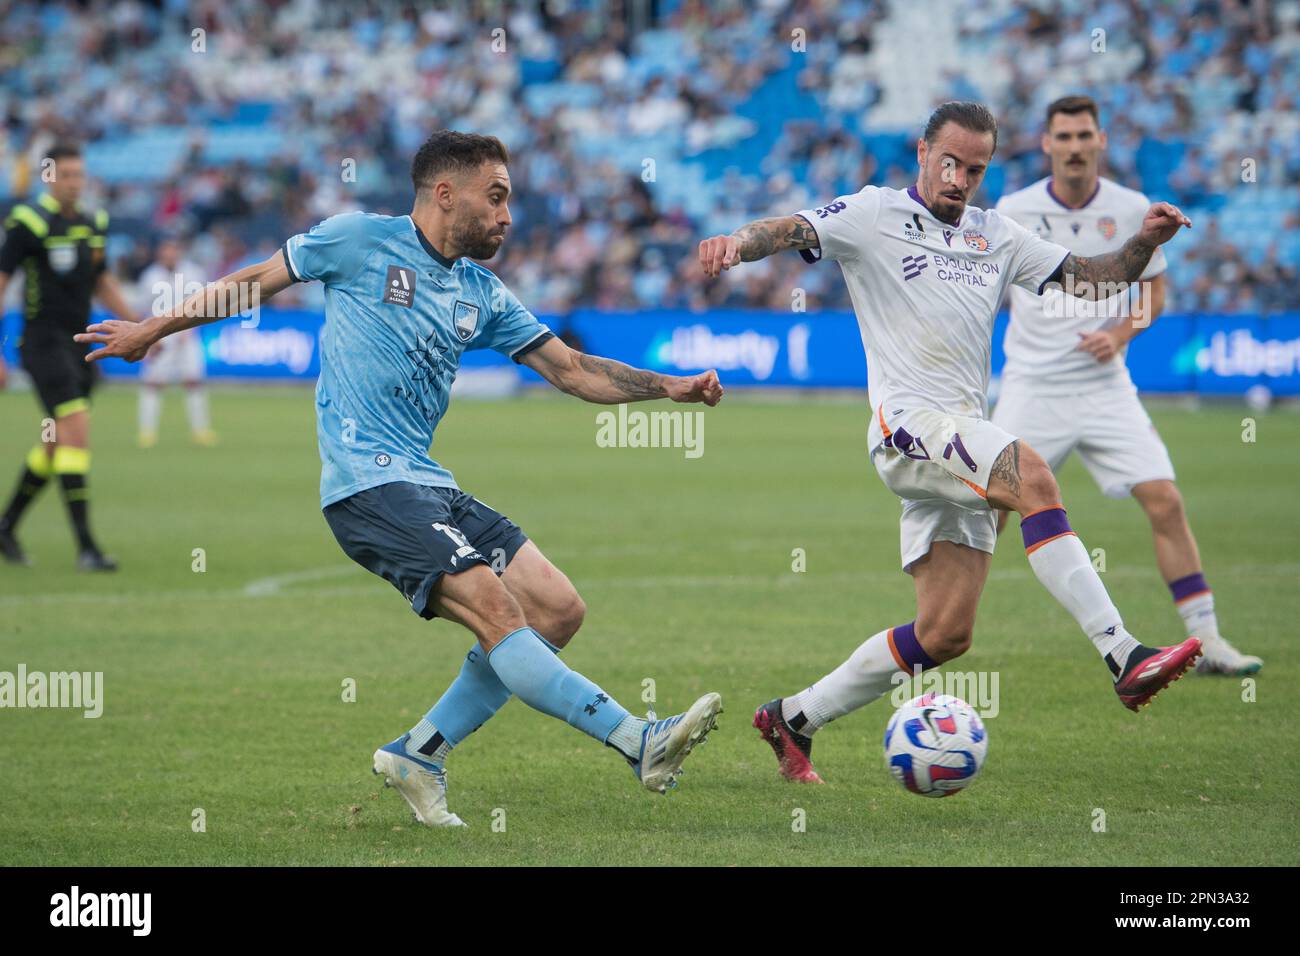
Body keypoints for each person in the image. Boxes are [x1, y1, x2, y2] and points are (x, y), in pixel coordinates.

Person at [76, 130, 725, 825]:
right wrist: (152, 329)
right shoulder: (358, 240)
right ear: (446, 194)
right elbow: (252, 284)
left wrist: (669, 387)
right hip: (366, 485)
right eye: (497, 198)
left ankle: (418, 753)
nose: (509, 216)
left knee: (556, 609)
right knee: (499, 612)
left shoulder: (481, 291)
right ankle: (639, 742)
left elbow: (571, 369)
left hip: (426, 480)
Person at [698, 102, 1199, 785]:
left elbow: (1094, 277)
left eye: (976, 168)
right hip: (910, 426)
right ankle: (1123, 656)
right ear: (924, 152)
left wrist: (1144, 242)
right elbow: (789, 229)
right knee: (1034, 478)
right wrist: (736, 240)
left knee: (944, 634)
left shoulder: (998, 235)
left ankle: (792, 718)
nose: (960, 178)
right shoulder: (872, 214)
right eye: (950, 162)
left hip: (961, 436)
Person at [992, 95, 1260, 677]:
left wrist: (1119, 334)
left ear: (1101, 140)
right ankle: (939, 634)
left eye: (1084, 135)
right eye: (1062, 137)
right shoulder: (1013, 208)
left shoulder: (1132, 207)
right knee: (987, 511)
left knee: (1164, 498)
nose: (1074, 147)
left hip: (1105, 385)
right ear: (1046, 144)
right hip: (1031, 385)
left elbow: (1155, 293)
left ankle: (1208, 640)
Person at [0, 143, 135, 570]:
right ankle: (87, 548)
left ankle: (5, 527)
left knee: (57, 441)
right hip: (41, 344)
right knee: (75, 427)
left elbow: (101, 279)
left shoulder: (94, 222)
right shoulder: (27, 222)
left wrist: (143, 326)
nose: (76, 183)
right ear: (49, 177)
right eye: (68, 176)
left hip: (81, 345)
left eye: (80, 175)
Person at [136, 236, 217, 448]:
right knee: (154, 383)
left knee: (194, 382)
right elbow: (142, 310)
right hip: (160, 339)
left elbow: (204, 305)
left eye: (174, 250)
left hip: (187, 336)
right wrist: (148, 337)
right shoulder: (150, 277)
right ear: (160, 252)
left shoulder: (193, 273)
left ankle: (200, 430)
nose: (170, 254)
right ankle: (147, 432)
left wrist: (192, 328)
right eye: (166, 250)